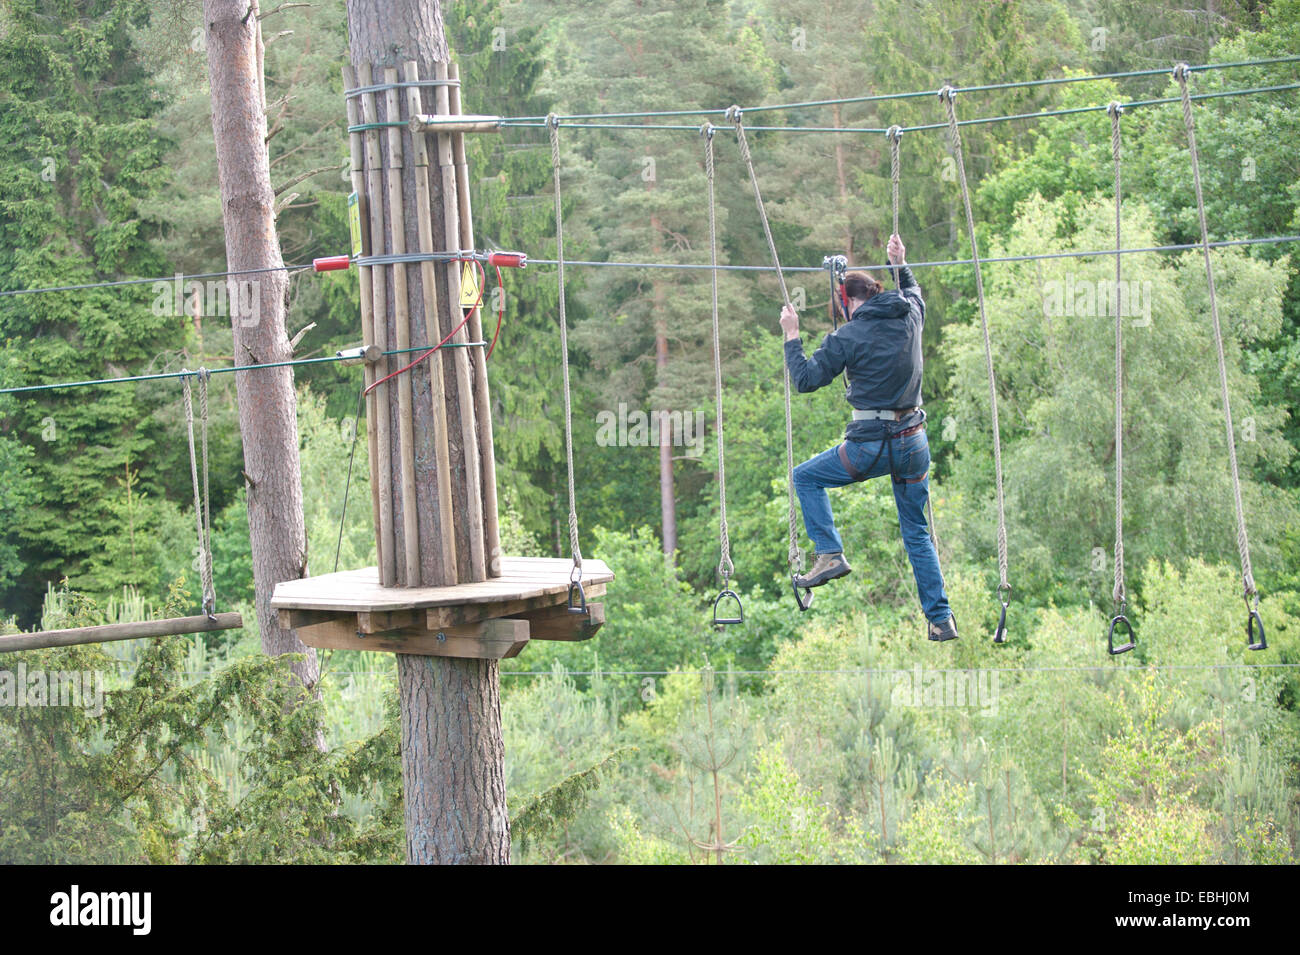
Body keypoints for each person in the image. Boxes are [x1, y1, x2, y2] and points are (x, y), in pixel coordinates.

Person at [780, 233, 957, 641]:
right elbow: (912, 289)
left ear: (848, 303)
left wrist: (792, 335)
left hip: (870, 447)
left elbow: (805, 380)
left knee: (805, 477)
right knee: (916, 531)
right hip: (913, 441)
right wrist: (899, 263)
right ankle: (940, 619)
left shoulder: (848, 337)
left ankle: (830, 552)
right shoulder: (910, 313)